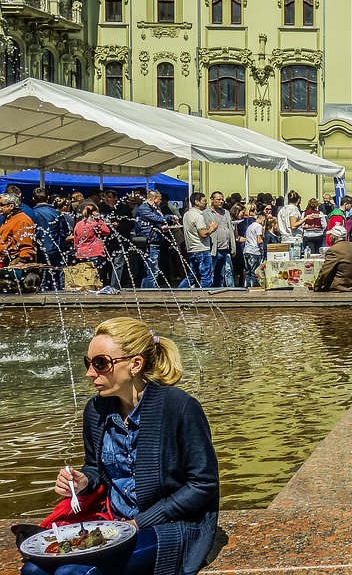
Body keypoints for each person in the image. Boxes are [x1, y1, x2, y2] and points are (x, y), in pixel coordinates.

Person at [25, 317, 219, 575]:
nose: (90, 373)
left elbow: (203, 484)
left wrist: (140, 522)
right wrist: (83, 482)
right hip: (111, 525)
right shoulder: (95, 410)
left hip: (170, 527)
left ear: (135, 364)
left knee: (72, 573)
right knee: (32, 570)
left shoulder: (179, 407)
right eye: (88, 363)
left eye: (100, 363)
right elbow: (94, 468)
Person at [133, 191, 175, 289]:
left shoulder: (154, 208)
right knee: (153, 270)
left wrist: (162, 227)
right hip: (149, 242)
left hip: (154, 240)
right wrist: (170, 216)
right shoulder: (144, 208)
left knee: (149, 269)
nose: (161, 201)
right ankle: (151, 292)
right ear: (154, 198)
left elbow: (155, 223)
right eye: (160, 199)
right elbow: (156, 219)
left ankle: (144, 291)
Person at [179, 193, 216, 288]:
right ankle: (203, 297)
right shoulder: (198, 216)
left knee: (192, 275)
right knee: (206, 277)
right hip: (201, 249)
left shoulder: (187, 214)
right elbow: (203, 234)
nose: (206, 203)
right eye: (204, 201)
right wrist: (211, 228)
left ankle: (179, 292)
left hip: (192, 248)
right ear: (196, 202)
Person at [312, 225, 352, 292]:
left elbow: (325, 272)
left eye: (330, 235)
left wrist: (317, 287)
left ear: (333, 237)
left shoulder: (334, 250)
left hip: (341, 286)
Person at [72, 202, 113, 286]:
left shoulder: (78, 225)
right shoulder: (95, 224)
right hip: (95, 253)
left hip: (81, 254)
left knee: (84, 278)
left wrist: (78, 251)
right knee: (96, 278)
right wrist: (99, 220)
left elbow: (76, 241)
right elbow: (107, 231)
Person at [206, 192, 235, 288]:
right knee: (211, 272)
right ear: (212, 200)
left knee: (223, 273)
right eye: (218, 199)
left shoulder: (225, 212)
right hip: (213, 248)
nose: (221, 201)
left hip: (225, 248)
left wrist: (233, 247)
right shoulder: (206, 213)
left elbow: (230, 229)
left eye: (222, 199)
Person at [240, 211, 265, 287]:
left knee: (248, 272)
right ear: (262, 219)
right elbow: (259, 240)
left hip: (247, 250)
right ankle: (254, 287)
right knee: (255, 272)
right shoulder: (258, 226)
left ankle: (247, 287)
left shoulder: (250, 226)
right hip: (255, 251)